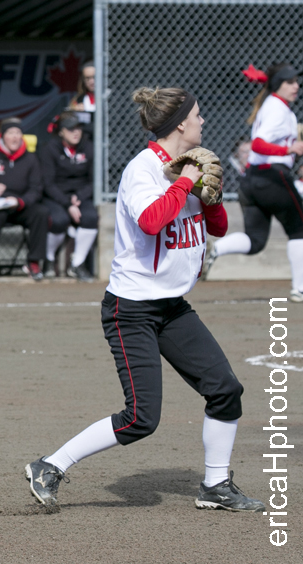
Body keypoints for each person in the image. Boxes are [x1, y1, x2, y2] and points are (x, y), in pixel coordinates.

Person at [25, 87, 263, 513]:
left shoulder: (191, 165)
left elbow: (218, 228)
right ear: (180, 124)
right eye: (197, 115)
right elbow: (153, 221)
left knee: (226, 389)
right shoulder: (143, 169)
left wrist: (209, 194)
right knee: (140, 418)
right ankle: (50, 465)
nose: (203, 121)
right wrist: (187, 180)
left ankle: (215, 485)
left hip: (172, 307)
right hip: (131, 310)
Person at [205, 63, 303, 302]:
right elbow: (258, 144)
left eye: (296, 82)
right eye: (289, 82)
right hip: (272, 177)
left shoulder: (272, 105)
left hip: (251, 180)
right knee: (299, 229)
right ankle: (299, 289)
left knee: (255, 240)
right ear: (278, 85)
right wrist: (289, 149)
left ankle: (217, 248)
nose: (296, 86)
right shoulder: (278, 108)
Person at [0, 117, 47, 280]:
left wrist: (21, 202)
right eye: (10, 133)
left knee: (41, 213)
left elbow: (36, 189)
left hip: (20, 205)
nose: (15, 137)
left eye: (18, 133)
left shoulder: (31, 158)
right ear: (2, 136)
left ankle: (34, 262)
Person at [40, 111, 98, 281]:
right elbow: (48, 184)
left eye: (78, 128)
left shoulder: (88, 147)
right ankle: (49, 260)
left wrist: (79, 197)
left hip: (80, 196)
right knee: (58, 220)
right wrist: (67, 204)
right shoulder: (50, 149)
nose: (76, 132)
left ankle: (77, 264)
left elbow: (94, 181)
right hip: (57, 196)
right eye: (71, 129)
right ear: (61, 132)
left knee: (91, 217)